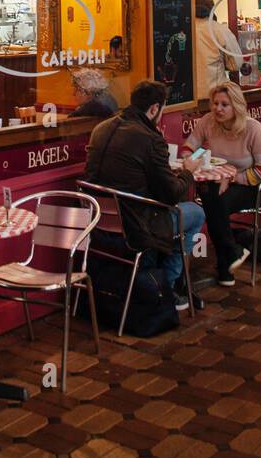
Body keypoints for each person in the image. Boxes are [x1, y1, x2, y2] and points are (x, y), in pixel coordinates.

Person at [83, 80, 205, 310]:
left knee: (170, 212)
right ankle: (166, 287)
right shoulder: (150, 139)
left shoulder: (100, 129)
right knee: (196, 212)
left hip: (98, 224)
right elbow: (171, 194)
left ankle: (161, 280)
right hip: (136, 226)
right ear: (153, 109)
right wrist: (188, 172)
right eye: (162, 110)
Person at [182, 81, 261, 286]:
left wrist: (231, 178)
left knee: (214, 202)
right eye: (215, 103)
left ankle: (227, 260)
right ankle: (229, 257)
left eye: (224, 105)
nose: (217, 109)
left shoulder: (253, 129)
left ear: (237, 106)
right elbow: (190, 146)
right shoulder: (208, 121)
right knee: (212, 197)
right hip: (217, 184)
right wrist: (193, 157)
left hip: (251, 187)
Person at [194, 0, 242, 101]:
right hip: (215, 95)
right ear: (212, 9)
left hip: (187, 97)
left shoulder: (183, 30)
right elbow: (235, 64)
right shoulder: (220, 30)